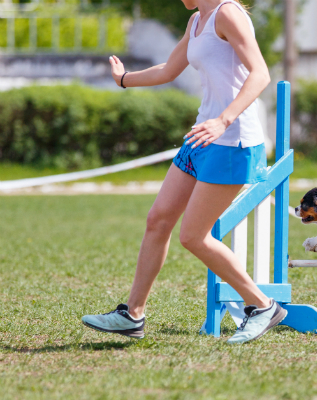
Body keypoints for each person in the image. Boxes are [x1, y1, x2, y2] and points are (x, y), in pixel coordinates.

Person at [81, 0, 286, 344]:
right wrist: (124, 79)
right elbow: (168, 70)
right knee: (158, 219)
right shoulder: (197, 21)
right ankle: (132, 315)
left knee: (193, 236)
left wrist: (224, 119)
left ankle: (263, 306)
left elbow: (261, 73)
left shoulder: (227, 14)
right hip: (202, 136)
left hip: (232, 141)